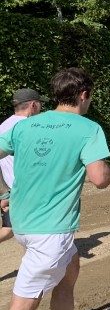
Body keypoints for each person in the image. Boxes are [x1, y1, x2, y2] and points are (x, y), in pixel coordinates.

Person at [0, 68, 110, 310]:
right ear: (84, 94)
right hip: (50, 232)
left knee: (71, 264)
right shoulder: (88, 129)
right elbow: (100, 178)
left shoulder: (26, 125)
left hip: (22, 224)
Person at [0, 89, 46, 244]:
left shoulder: (3, 126)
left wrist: (4, 193)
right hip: (27, 190)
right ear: (33, 105)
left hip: (10, 189)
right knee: (38, 233)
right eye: (40, 104)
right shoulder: (29, 127)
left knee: (10, 229)